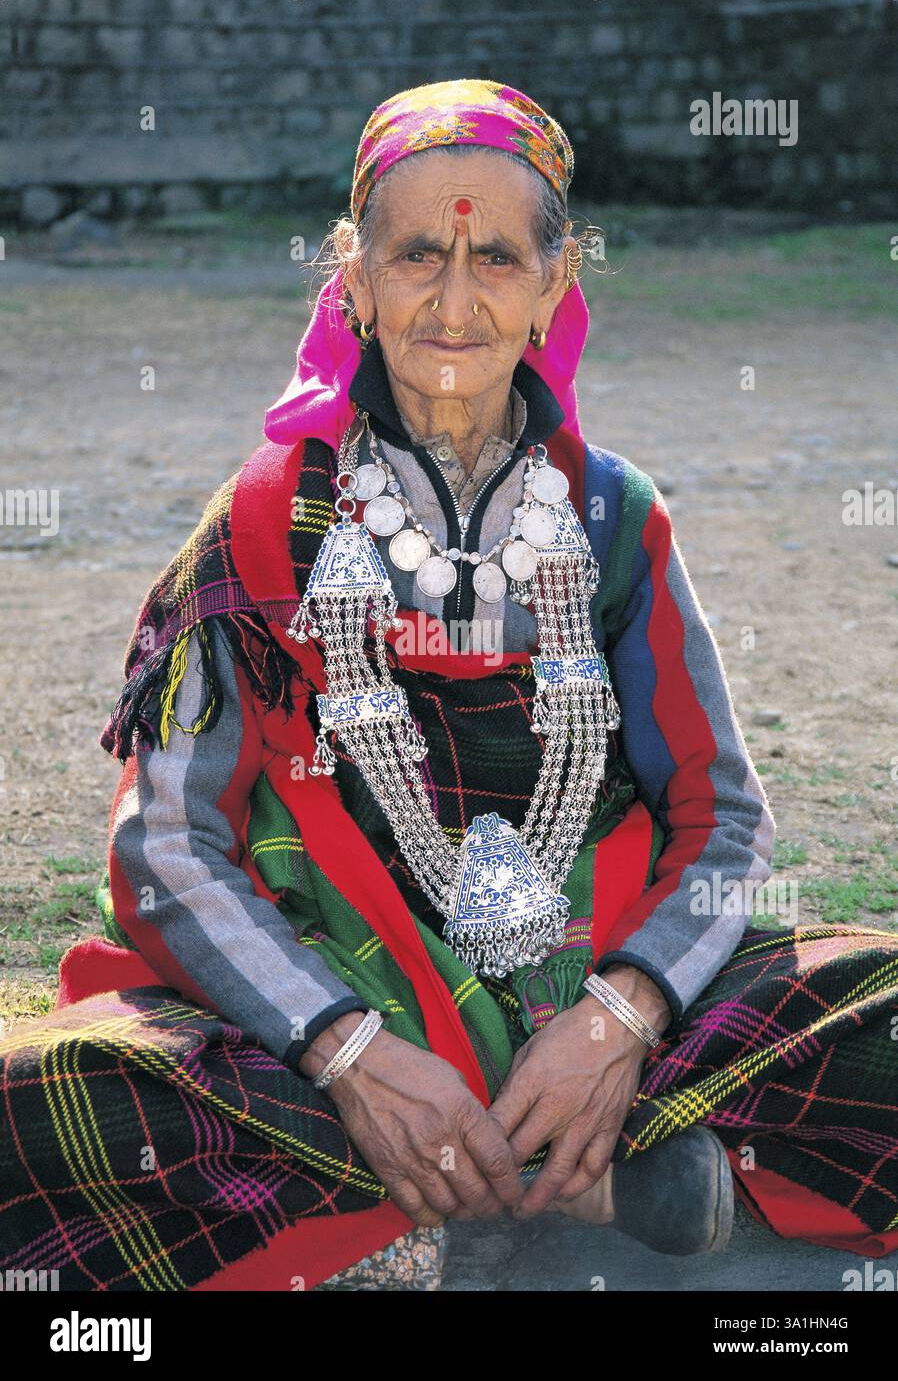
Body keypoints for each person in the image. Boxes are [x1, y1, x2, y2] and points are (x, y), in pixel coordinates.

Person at [2, 80, 898, 1293]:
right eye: (418, 255)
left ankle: (502, 1164)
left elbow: (723, 817)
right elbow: (165, 846)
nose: (456, 302)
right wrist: (346, 1049)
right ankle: (591, 1172)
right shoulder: (262, 526)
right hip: (334, 1005)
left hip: (592, 988)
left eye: (498, 259)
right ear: (355, 280)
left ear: (554, 284)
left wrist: (621, 1017)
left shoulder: (611, 518)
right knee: (50, 1098)